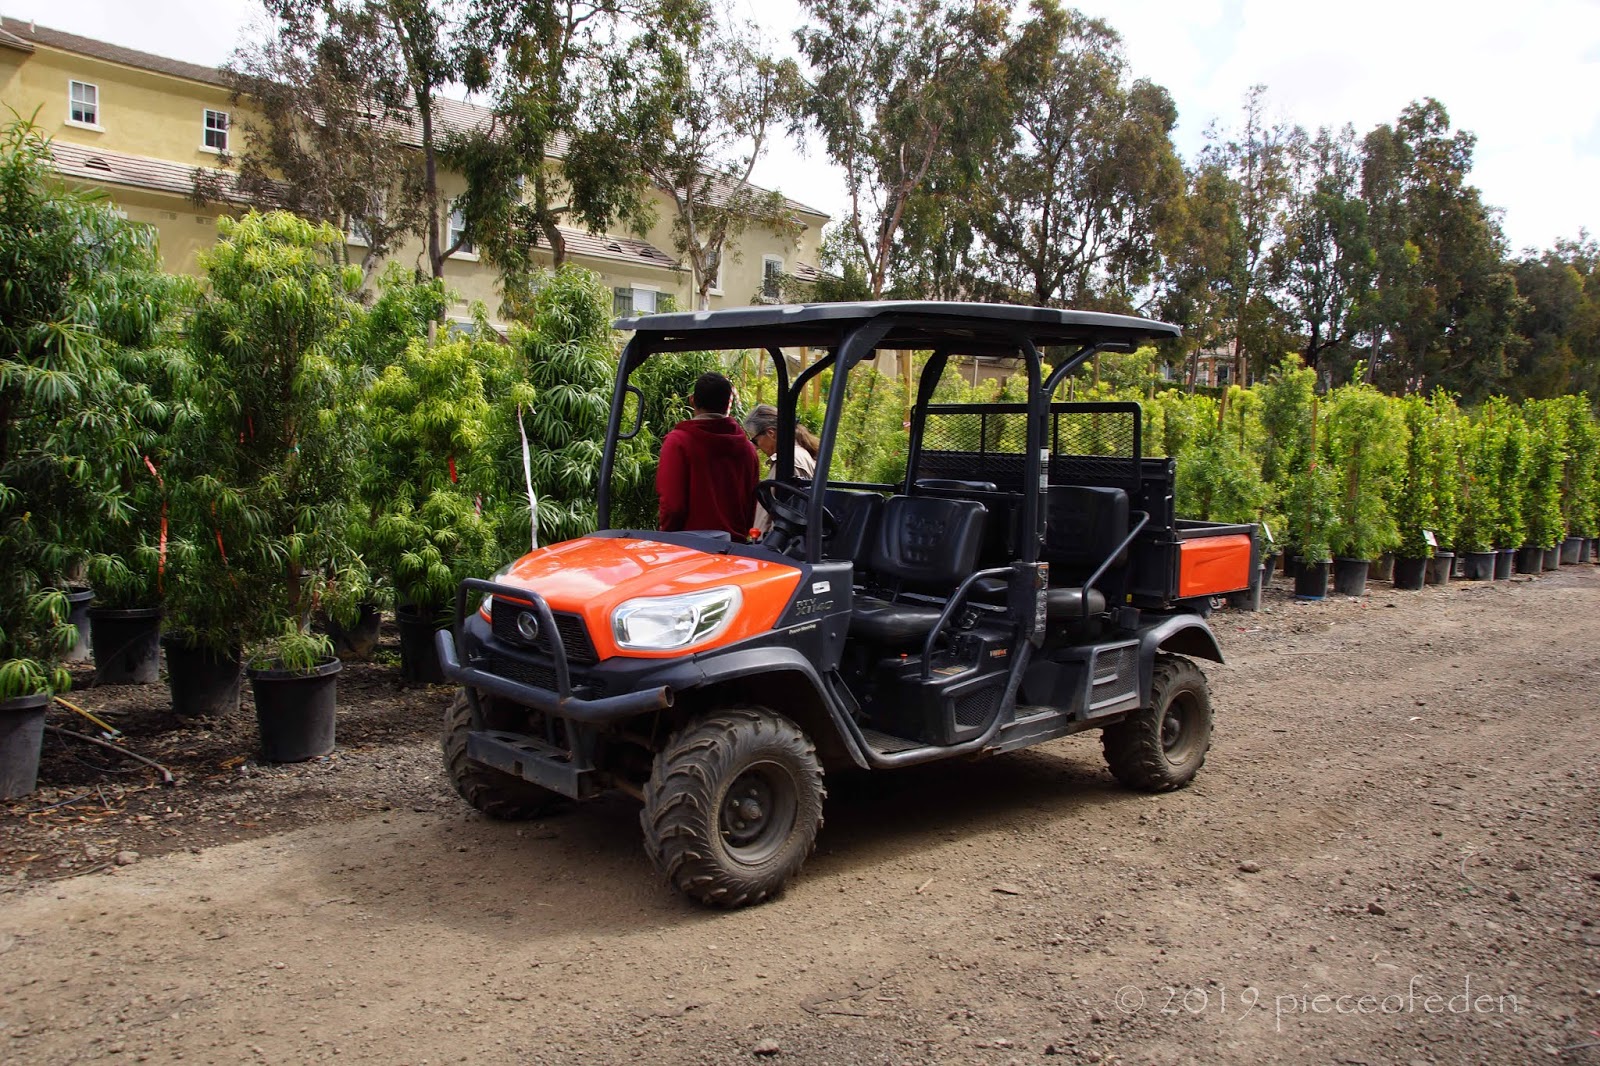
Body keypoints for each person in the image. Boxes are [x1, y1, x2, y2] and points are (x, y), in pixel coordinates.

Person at [656, 372, 759, 540]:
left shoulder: (678, 443)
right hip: (733, 547)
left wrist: (666, 539)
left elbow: (673, 506)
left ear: (692, 400)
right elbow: (751, 506)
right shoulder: (747, 449)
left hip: (688, 546)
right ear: (728, 404)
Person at [742, 403, 819, 536]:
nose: (756, 447)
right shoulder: (798, 456)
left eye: (755, 441)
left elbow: (781, 518)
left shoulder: (788, 462)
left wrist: (766, 542)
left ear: (771, 433)